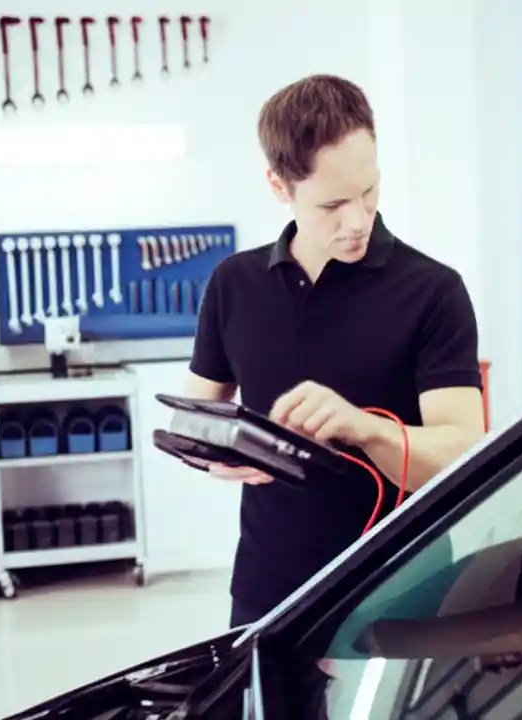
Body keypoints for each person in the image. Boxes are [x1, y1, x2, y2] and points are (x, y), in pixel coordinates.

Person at [185, 74, 487, 628]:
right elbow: (200, 414)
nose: (359, 220)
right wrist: (217, 451)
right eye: (333, 204)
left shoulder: (433, 291)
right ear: (279, 186)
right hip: (266, 593)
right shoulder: (234, 284)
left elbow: (462, 454)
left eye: (370, 191)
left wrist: (362, 428)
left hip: (402, 592)